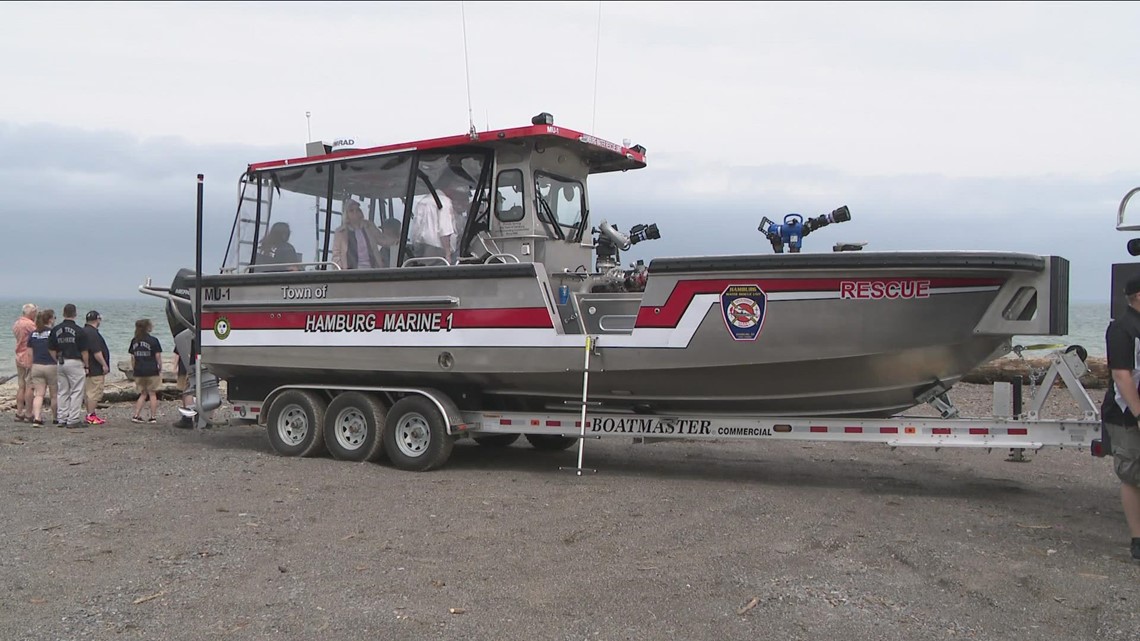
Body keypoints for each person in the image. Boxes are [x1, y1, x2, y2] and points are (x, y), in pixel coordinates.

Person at [1102, 275, 1140, 561]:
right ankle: (1137, 539)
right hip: (1127, 414)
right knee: (1132, 475)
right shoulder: (1122, 329)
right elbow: (1121, 375)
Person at [47, 303, 89, 429]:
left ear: (63, 314)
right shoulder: (79, 331)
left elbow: (50, 348)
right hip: (75, 361)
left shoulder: (56, 330)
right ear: (75, 314)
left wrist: (56, 359)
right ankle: (73, 419)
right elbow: (84, 351)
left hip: (61, 361)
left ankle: (62, 417)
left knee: (62, 391)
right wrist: (86, 365)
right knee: (76, 390)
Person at [332, 199, 394, 269]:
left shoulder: (369, 226)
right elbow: (336, 254)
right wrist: (341, 270)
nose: (355, 212)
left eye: (357, 210)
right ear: (346, 214)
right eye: (351, 210)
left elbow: (382, 239)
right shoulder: (340, 232)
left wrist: (397, 242)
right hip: (350, 272)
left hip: (372, 270)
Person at [410, 186, 459, 263]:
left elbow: (416, 229)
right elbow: (444, 230)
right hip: (439, 252)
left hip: (423, 250)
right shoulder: (444, 201)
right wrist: (448, 254)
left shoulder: (422, 201)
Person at [25, 309, 57, 426]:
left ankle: (37, 417)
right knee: (54, 394)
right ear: (49, 320)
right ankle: (55, 417)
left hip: (37, 365)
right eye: (54, 318)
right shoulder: (53, 333)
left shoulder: (33, 334)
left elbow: (29, 353)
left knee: (39, 394)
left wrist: (31, 366)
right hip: (51, 365)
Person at [129, 318, 163, 424]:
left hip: (139, 370)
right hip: (151, 370)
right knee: (152, 394)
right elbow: (158, 356)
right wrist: (160, 367)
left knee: (143, 393)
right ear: (147, 327)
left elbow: (133, 358)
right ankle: (153, 417)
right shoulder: (153, 340)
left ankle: (136, 415)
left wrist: (134, 369)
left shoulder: (134, 341)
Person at [82, 310, 111, 425]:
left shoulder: (83, 331)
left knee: (89, 391)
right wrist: (104, 364)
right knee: (94, 392)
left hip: (87, 367)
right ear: (97, 320)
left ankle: (89, 414)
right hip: (95, 367)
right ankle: (91, 414)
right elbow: (96, 352)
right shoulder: (93, 333)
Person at [12, 303, 37, 422]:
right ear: (31, 313)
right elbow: (38, 335)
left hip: (19, 355)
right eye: (35, 313)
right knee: (30, 386)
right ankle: (28, 413)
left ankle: (19, 411)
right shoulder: (30, 324)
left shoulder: (17, 323)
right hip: (29, 356)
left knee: (21, 385)